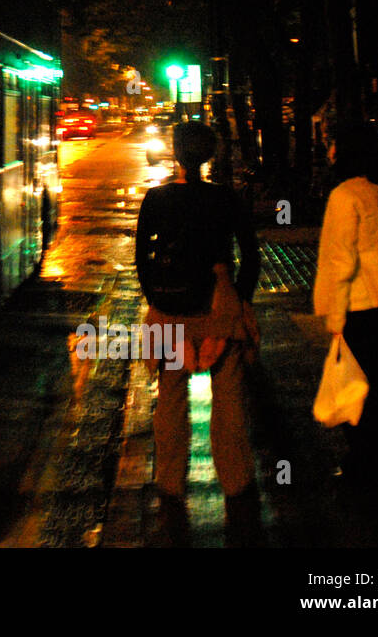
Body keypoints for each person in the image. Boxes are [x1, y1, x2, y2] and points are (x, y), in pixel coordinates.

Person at [135, 120, 261, 545]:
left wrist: (159, 297)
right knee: (229, 402)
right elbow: (251, 255)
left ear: (176, 153)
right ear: (209, 155)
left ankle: (170, 487)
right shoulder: (226, 198)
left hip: (170, 308)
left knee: (170, 401)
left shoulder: (156, 198)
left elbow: (142, 259)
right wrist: (237, 297)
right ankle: (237, 486)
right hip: (218, 305)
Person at [313, 122, 378, 483]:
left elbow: (340, 260)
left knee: (357, 386)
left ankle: (365, 460)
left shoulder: (344, 196)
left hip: (359, 305)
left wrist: (335, 316)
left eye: (334, 144)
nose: (329, 151)